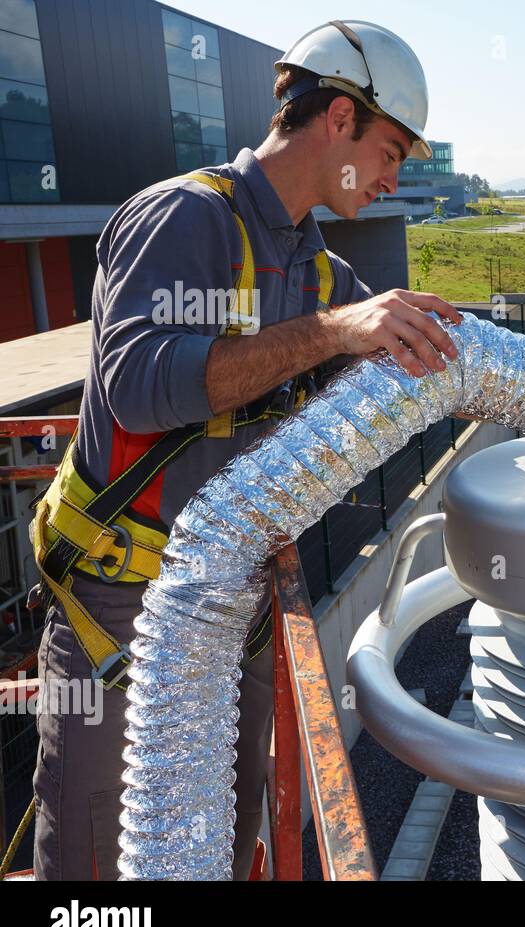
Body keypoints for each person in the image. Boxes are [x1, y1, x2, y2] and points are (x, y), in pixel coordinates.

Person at [28, 20, 461, 880]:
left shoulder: (315, 266)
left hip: (238, 606)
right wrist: (334, 333)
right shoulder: (186, 219)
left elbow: (387, 351)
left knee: (217, 847)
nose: (392, 179)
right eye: (389, 152)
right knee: (99, 863)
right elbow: (140, 383)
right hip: (124, 608)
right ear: (339, 118)